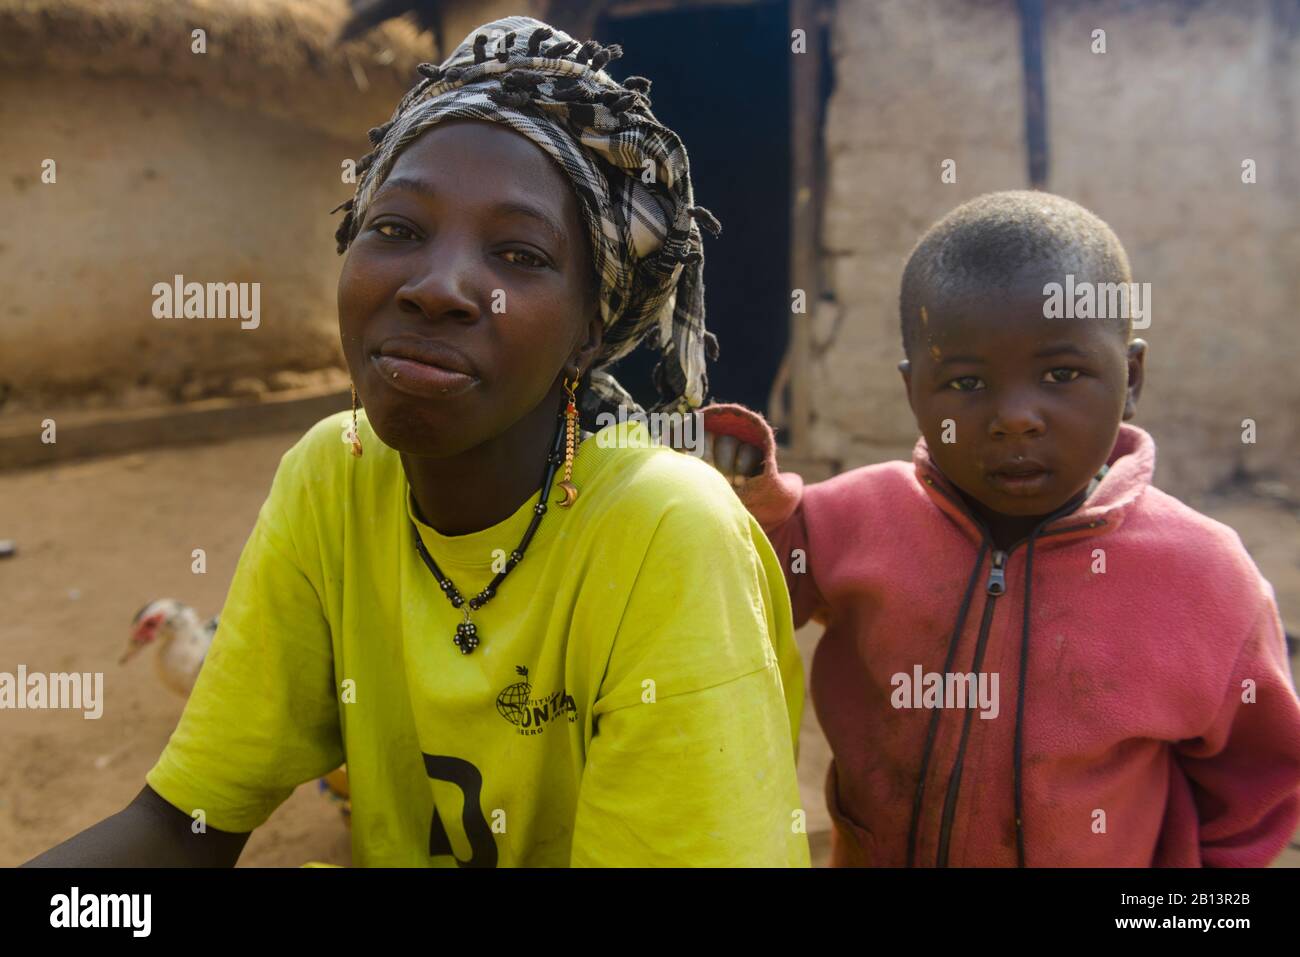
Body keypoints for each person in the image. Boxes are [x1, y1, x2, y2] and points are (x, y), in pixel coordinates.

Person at [25, 16, 808, 868]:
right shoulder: (336, 474)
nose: (438, 289)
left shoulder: (666, 535)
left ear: (591, 331)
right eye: (397, 230)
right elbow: (182, 831)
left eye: (517, 253)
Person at [695, 191, 1300, 866]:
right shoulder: (859, 516)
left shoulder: (1205, 578)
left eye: (1062, 373)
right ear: (912, 389)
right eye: (966, 382)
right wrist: (749, 492)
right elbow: (755, 585)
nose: (1016, 417)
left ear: (1130, 377)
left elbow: (1257, 782)